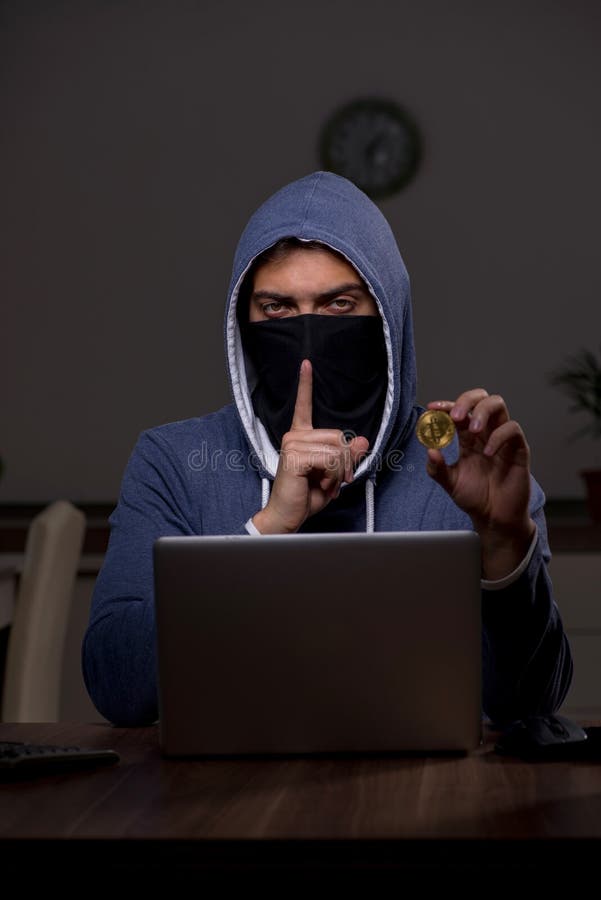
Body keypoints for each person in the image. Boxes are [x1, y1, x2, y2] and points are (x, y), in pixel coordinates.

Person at [82, 171, 573, 727]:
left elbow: (530, 704)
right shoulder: (172, 462)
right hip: (224, 780)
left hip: (423, 781)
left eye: (339, 304)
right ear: (242, 323)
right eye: (277, 309)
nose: (308, 338)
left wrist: (505, 546)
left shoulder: (466, 467)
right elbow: (117, 686)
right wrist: (265, 531)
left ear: (388, 319)